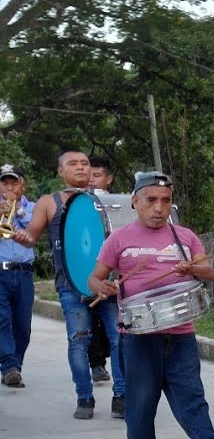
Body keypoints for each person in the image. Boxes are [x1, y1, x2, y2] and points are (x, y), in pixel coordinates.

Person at [87, 171, 214, 439]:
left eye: (165, 201)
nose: (158, 208)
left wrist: (192, 266)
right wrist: (102, 287)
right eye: (151, 200)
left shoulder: (183, 236)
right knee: (141, 400)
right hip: (138, 334)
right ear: (135, 202)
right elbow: (94, 278)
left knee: (191, 394)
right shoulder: (119, 239)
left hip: (180, 330)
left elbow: (208, 271)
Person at [13, 150, 126, 419]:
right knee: (78, 341)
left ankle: (121, 396)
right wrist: (21, 237)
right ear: (60, 171)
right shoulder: (48, 202)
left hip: (108, 284)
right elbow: (32, 236)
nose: (80, 168)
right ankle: (84, 398)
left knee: (119, 339)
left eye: (84, 164)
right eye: (72, 164)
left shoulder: (108, 200)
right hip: (70, 285)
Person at [0, 164, 35, 388]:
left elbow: (34, 230)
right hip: (0, 271)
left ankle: (15, 366)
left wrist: (17, 210)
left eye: (14, 183)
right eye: (5, 183)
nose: (9, 187)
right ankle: (9, 365)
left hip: (24, 273)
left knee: (22, 324)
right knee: (1, 319)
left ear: (22, 185)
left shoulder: (33, 207)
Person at [86, 154, 116, 385]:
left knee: (113, 328)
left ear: (109, 179)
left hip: (113, 274)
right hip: (86, 273)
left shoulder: (120, 203)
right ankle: (96, 365)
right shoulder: (78, 203)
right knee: (90, 325)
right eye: (88, 175)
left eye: (97, 175)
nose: (91, 179)